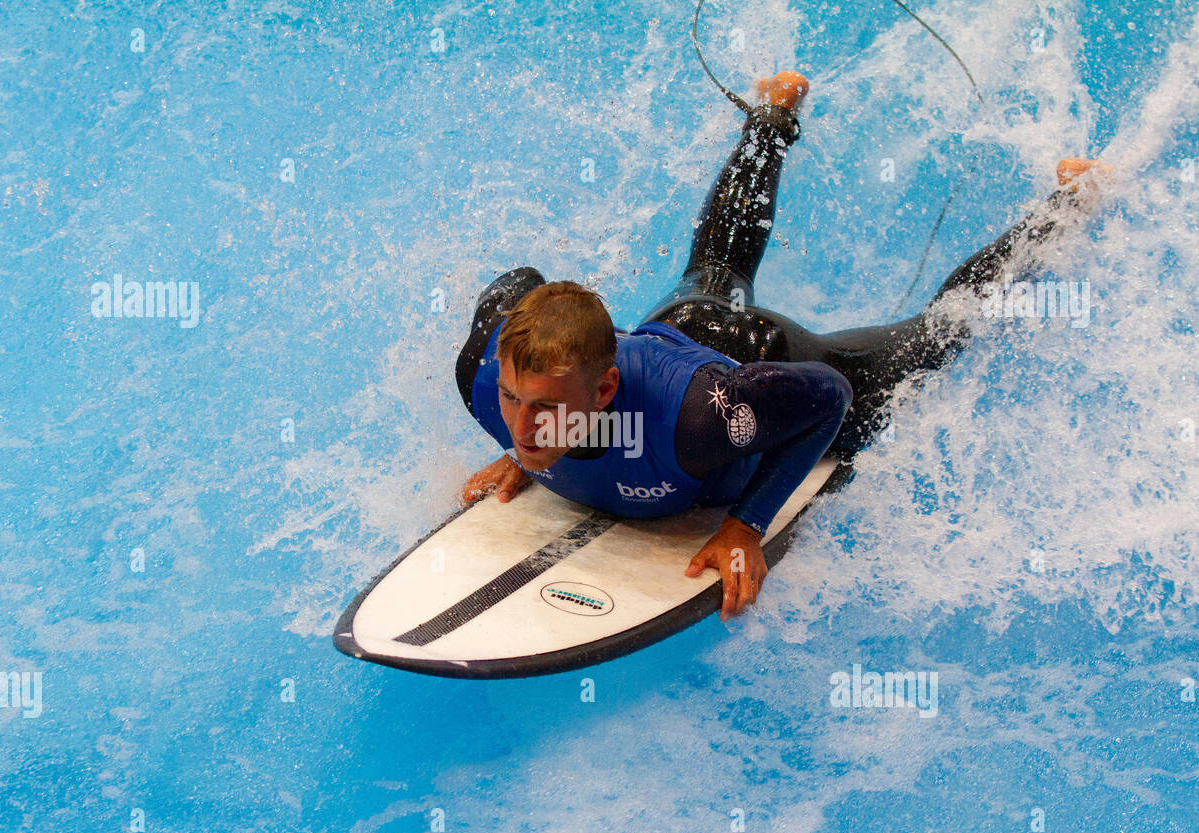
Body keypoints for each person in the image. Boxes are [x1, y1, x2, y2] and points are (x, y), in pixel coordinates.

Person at [456, 70, 1108, 621]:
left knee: (933, 341)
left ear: (603, 391)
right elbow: (515, 287)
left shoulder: (701, 421)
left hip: (750, 354)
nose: (523, 422)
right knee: (714, 271)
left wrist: (746, 525)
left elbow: (828, 397)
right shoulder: (487, 384)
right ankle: (771, 114)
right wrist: (528, 441)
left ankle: (1064, 208)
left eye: (545, 409)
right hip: (683, 322)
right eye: (516, 399)